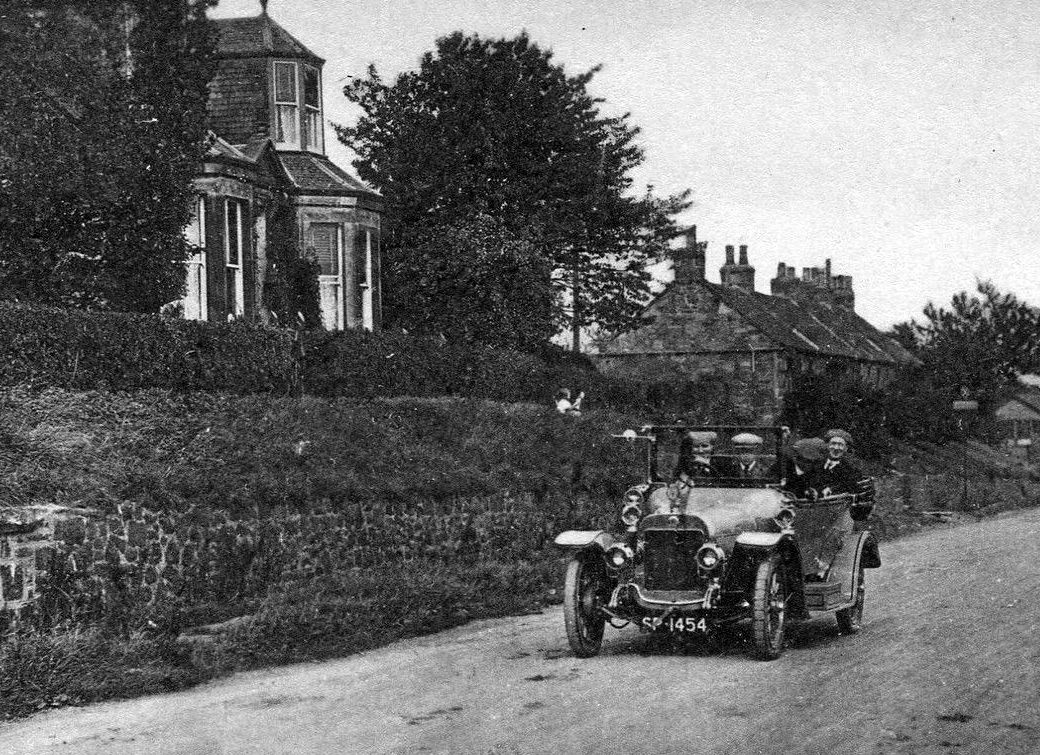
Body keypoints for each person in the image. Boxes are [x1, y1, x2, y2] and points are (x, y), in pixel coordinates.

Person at [810, 428, 863, 497]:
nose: (836, 448)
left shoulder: (849, 468)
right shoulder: (817, 464)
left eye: (840, 445)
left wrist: (831, 489)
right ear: (827, 445)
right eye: (833, 443)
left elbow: (851, 486)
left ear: (846, 448)